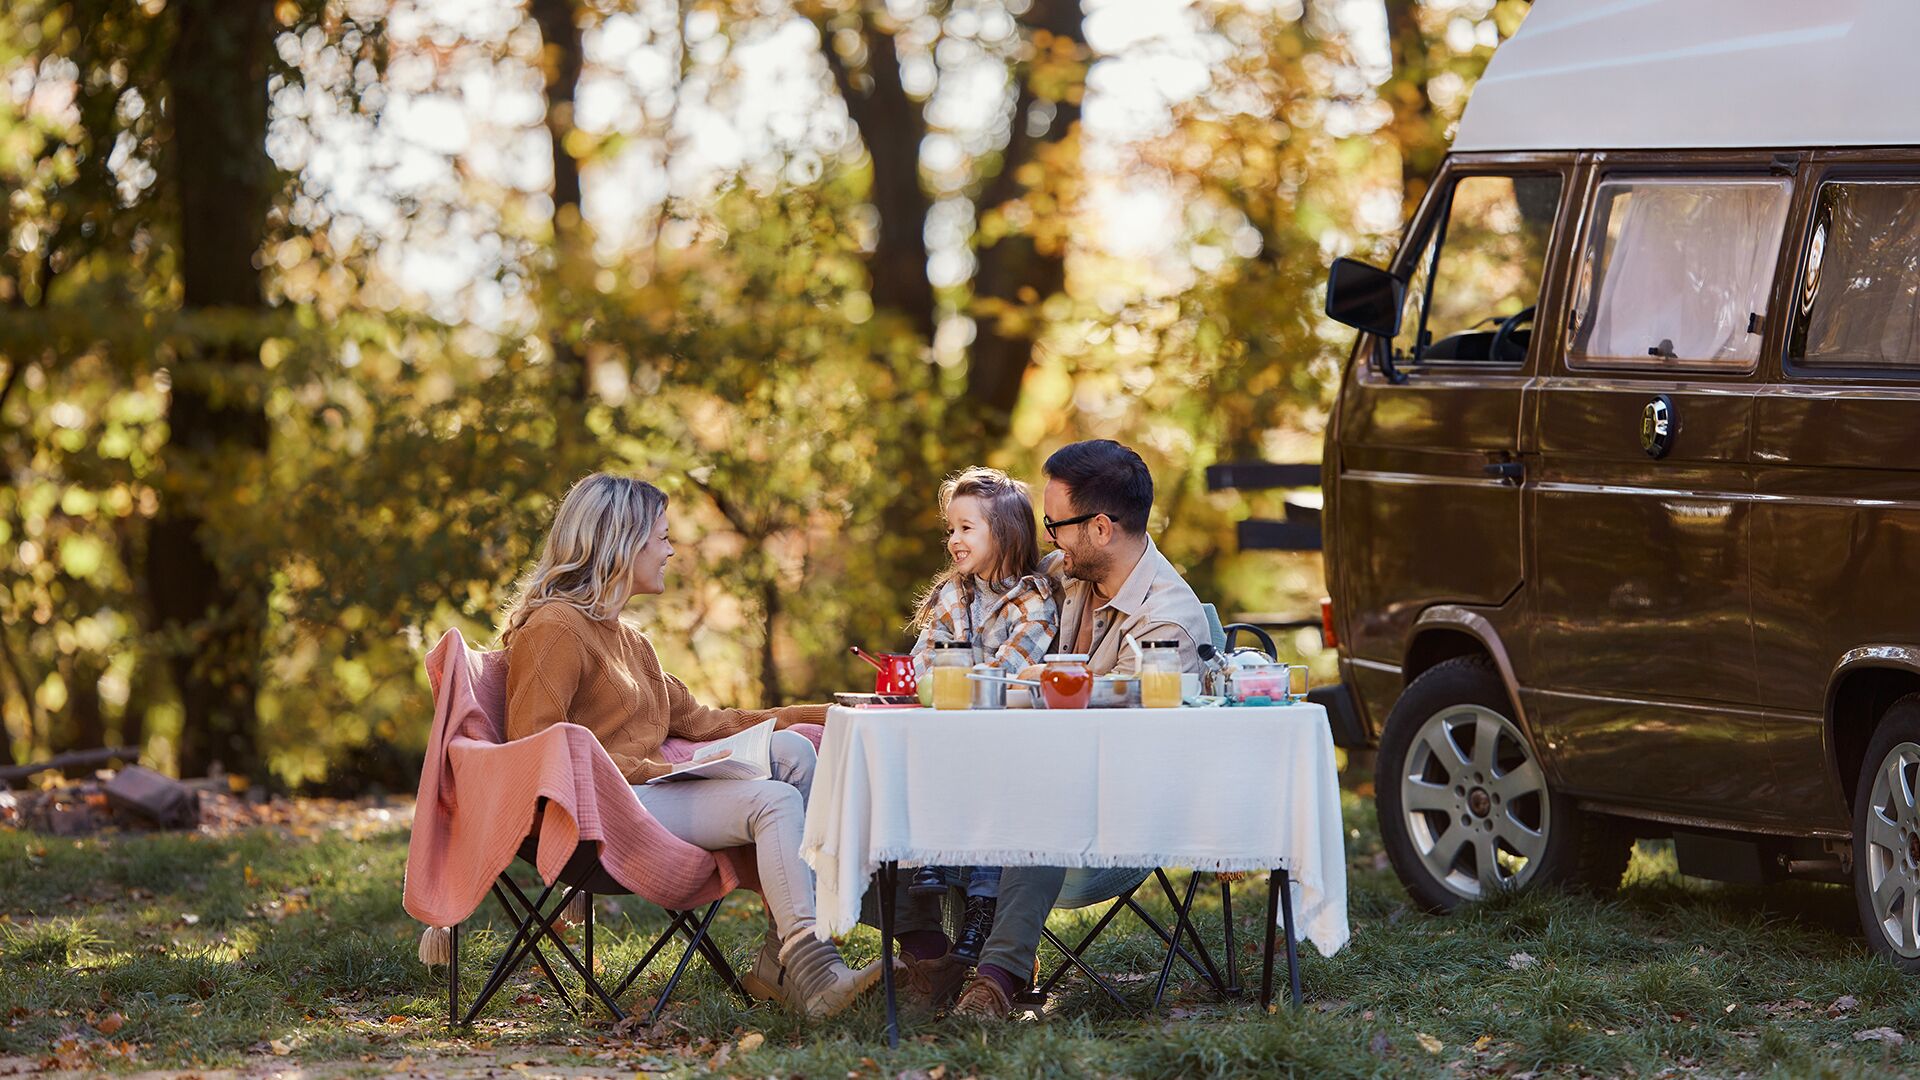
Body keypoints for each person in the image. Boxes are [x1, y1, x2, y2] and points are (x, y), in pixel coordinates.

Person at [500, 472, 881, 1020]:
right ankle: (817, 976)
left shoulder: (629, 640)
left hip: (642, 792)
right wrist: (657, 770)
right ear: (622, 542)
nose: (671, 550)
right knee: (775, 801)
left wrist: (823, 714)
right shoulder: (556, 627)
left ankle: (781, 964)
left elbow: (703, 722)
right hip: (599, 809)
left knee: (796, 752)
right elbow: (536, 747)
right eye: (662, 537)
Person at [883, 439, 1213, 1019]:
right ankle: (930, 955)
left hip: (1108, 807)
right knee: (879, 779)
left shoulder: (1167, 624)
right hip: (1007, 778)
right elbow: (996, 590)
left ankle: (997, 980)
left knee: (1041, 795)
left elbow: (1134, 745)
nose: (1047, 538)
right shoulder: (1066, 574)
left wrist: (1050, 684)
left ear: (1101, 528)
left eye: (1055, 525)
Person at [904, 466, 1059, 964]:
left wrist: (956, 674)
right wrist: (950, 675)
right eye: (951, 529)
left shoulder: (1034, 601)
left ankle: (981, 909)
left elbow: (1008, 673)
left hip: (1006, 741)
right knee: (919, 751)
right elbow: (922, 661)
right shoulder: (954, 593)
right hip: (951, 733)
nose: (954, 540)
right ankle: (929, 861)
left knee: (996, 784)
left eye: (966, 528)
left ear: (1005, 533)